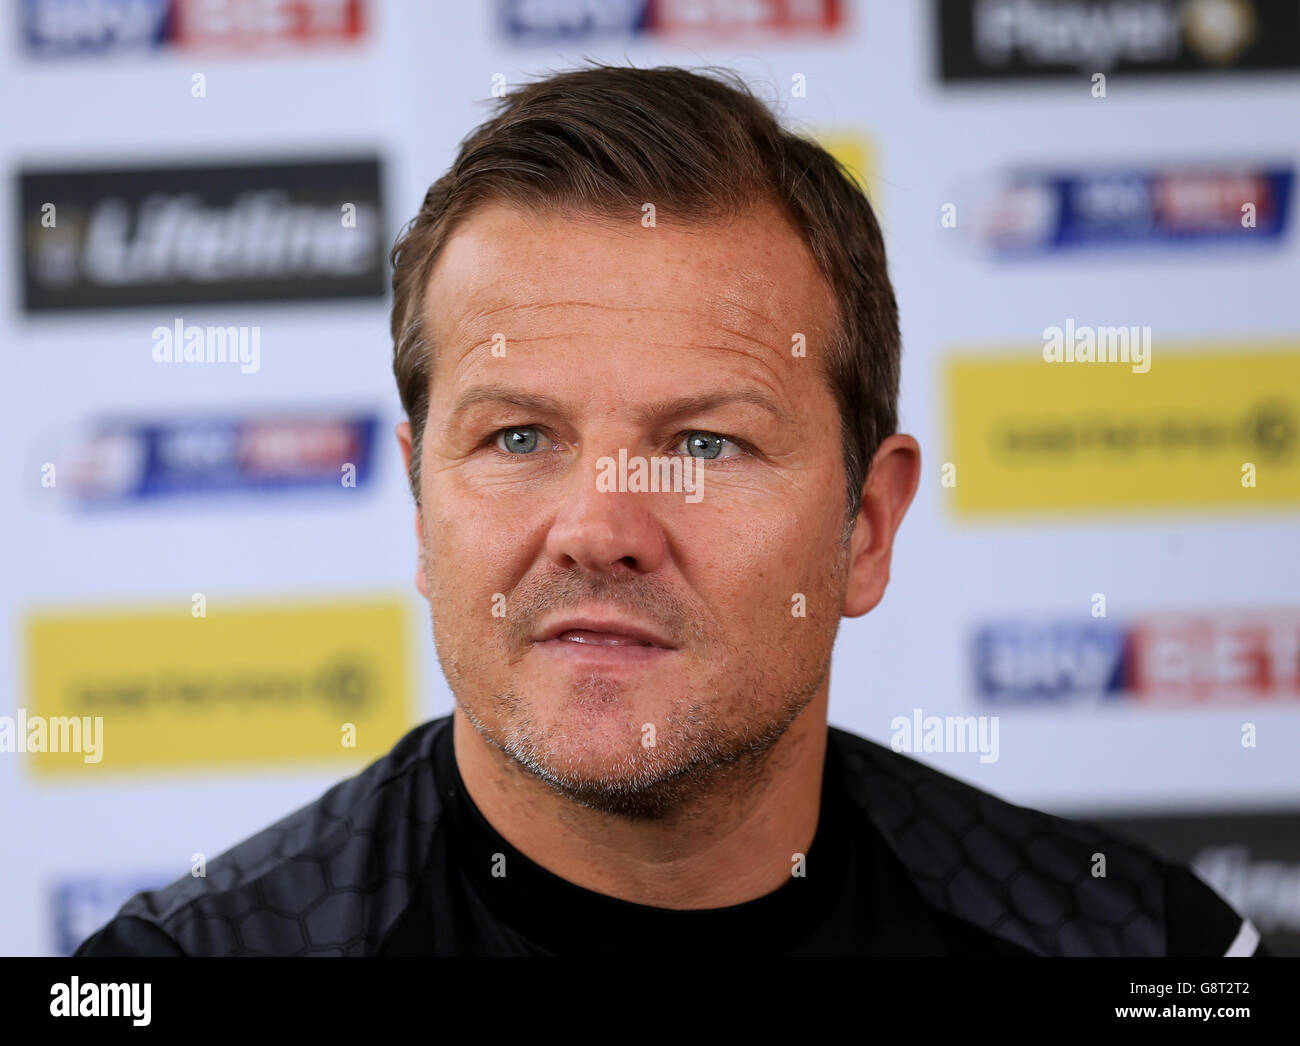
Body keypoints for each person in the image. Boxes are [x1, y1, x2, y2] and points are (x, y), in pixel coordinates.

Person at [76, 63, 1264, 957]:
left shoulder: (1144, 948)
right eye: (519, 436)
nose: (602, 525)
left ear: (866, 525)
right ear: (421, 504)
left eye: (703, 442)